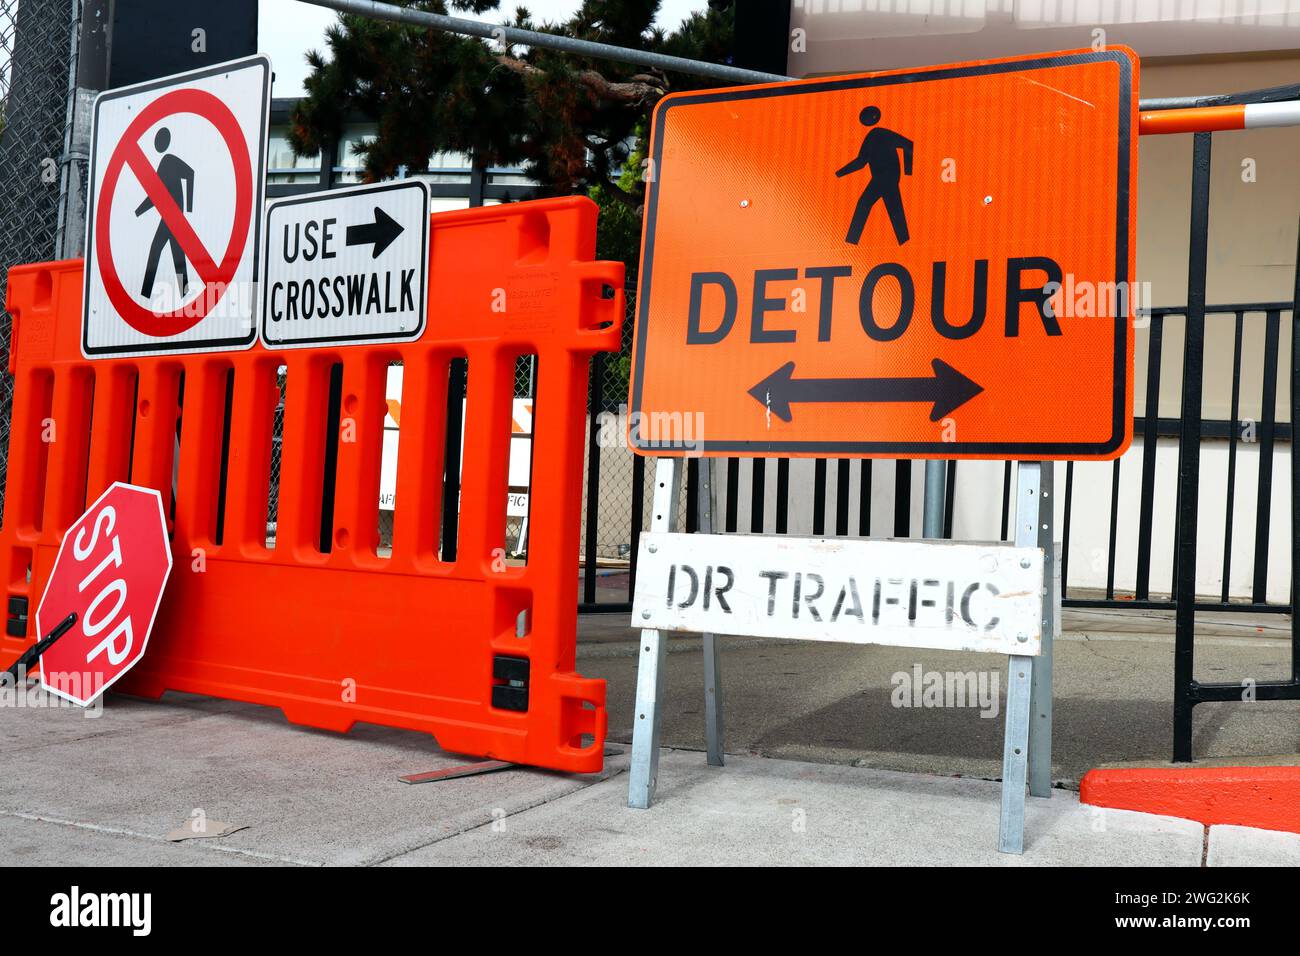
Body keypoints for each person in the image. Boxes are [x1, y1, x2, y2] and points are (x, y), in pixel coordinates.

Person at [836, 106, 913, 246]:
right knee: (893, 207)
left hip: (885, 177)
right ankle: (905, 241)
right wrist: (839, 174)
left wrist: (909, 172)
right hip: (883, 178)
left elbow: (909, 145)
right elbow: (861, 162)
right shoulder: (872, 136)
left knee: (865, 204)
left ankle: (851, 242)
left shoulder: (879, 133)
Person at [135, 127, 195, 299]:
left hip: (174, 216)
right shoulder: (162, 165)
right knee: (177, 254)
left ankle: (145, 294)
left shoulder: (169, 160)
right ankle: (185, 294)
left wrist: (189, 207)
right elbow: (155, 195)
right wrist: (138, 211)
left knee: (157, 249)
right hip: (169, 216)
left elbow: (190, 173)